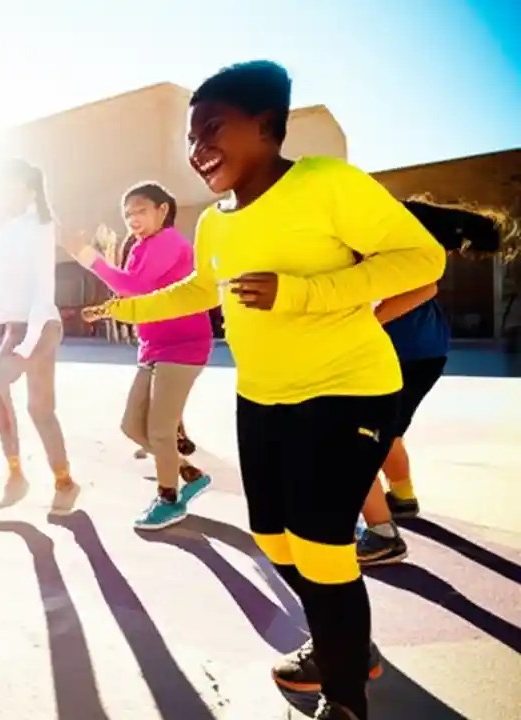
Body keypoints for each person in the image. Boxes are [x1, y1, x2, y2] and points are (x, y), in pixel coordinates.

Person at [85, 61, 445, 720]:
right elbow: (199, 291)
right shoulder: (216, 224)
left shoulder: (327, 184)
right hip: (263, 395)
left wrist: (306, 293)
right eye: (192, 139)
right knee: (274, 540)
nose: (198, 152)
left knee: (321, 541)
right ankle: (345, 643)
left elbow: (423, 259)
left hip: (347, 390)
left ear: (267, 126)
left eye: (213, 131)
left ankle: (345, 699)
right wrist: (126, 310)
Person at [356, 197, 519, 566]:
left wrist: (368, 323)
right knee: (388, 429)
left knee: (369, 434)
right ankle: (402, 498)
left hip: (410, 352)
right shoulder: (392, 242)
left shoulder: (402, 246)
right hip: (418, 350)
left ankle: (382, 529)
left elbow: (424, 289)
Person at [62, 182, 213, 530]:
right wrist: (105, 310)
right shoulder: (139, 247)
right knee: (132, 425)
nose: (132, 219)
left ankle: (169, 499)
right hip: (153, 346)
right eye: (127, 213)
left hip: (183, 345)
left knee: (160, 430)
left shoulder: (169, 241)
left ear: (163, 210)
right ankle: (190, 473)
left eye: (141, 210)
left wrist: (88, 257)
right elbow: (136, 295)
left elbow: (134, 286)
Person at [0, 159, 78, 514]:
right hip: (16, 328)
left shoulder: (41, 226)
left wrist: (29, 341)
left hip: (40, 327)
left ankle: (18, 476)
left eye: (6, 186)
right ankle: (64, 482)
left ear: (26, 187)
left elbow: (44, 286)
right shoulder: (5, 231)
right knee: (40, 409)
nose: (0, 194)